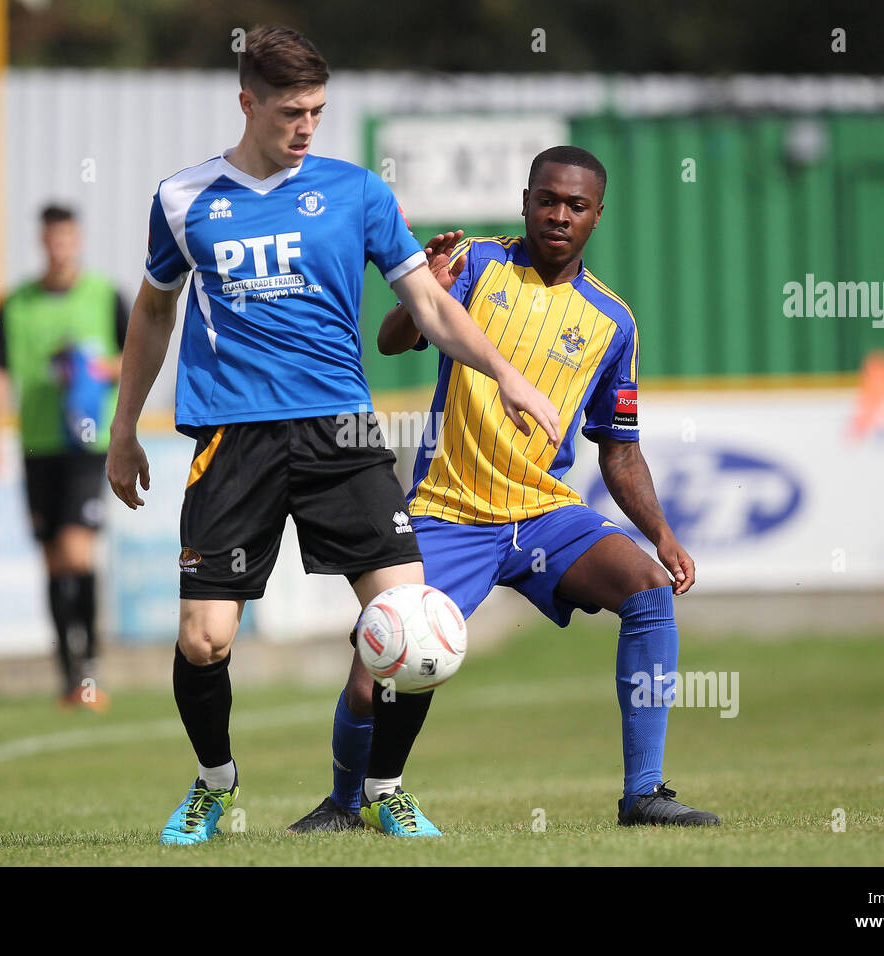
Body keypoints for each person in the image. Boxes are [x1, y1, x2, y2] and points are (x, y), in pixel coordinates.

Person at [104, 25, 560, 844]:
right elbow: (153, 311)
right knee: (204, 642)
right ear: (248, 102)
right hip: (231, 439)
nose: (306, 126)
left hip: (340, 431)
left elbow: (428, 306)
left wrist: (510, 375)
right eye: (290, 111)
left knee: (415, 622)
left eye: (317, 109)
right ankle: (215, 783)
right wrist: (124, 428)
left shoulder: (358, 194)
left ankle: (383, 791)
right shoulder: (183, 200)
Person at [289, 146, 721, 833]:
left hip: (544, 514)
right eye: (547, 200)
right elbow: (395, 338)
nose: (559, 215)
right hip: (449, 510)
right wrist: (424, 285)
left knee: (647, 588)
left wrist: (663, 536)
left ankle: (643, 794)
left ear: (597, 216)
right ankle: (345, 802)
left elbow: (620, 449)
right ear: (525, 202)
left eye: (576, 206)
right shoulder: (476, 264)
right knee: (380, 667)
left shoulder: (614, 321)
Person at [0, 204, 126, 712]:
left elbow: (135, 357)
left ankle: (89, 668)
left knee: (75, 552)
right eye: (51, 238)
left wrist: (93, 369)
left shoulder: (105, 296)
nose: (59, 246)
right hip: (36, 444)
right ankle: (68, 677)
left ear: (78, 239)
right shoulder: (18, 302)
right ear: (42, 242)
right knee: (50, 559)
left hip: (86, 445)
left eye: (66, 236)